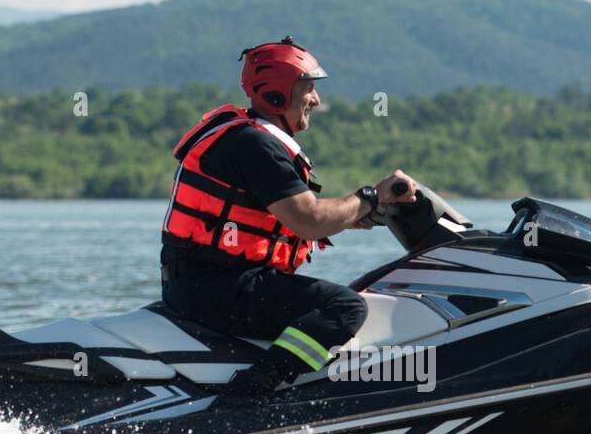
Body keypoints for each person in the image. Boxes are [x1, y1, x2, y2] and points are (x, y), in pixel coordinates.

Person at [159, 36, 415, 396]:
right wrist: (370, 196)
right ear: (277, 93)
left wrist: (354, 213)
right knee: (343, 307)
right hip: (218, 287)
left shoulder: (246, 136)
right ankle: (254, 392)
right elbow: (308, 219)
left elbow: (292, 215)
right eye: (308, 88)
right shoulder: (255, 145)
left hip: (204, 281)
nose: (316, 99)